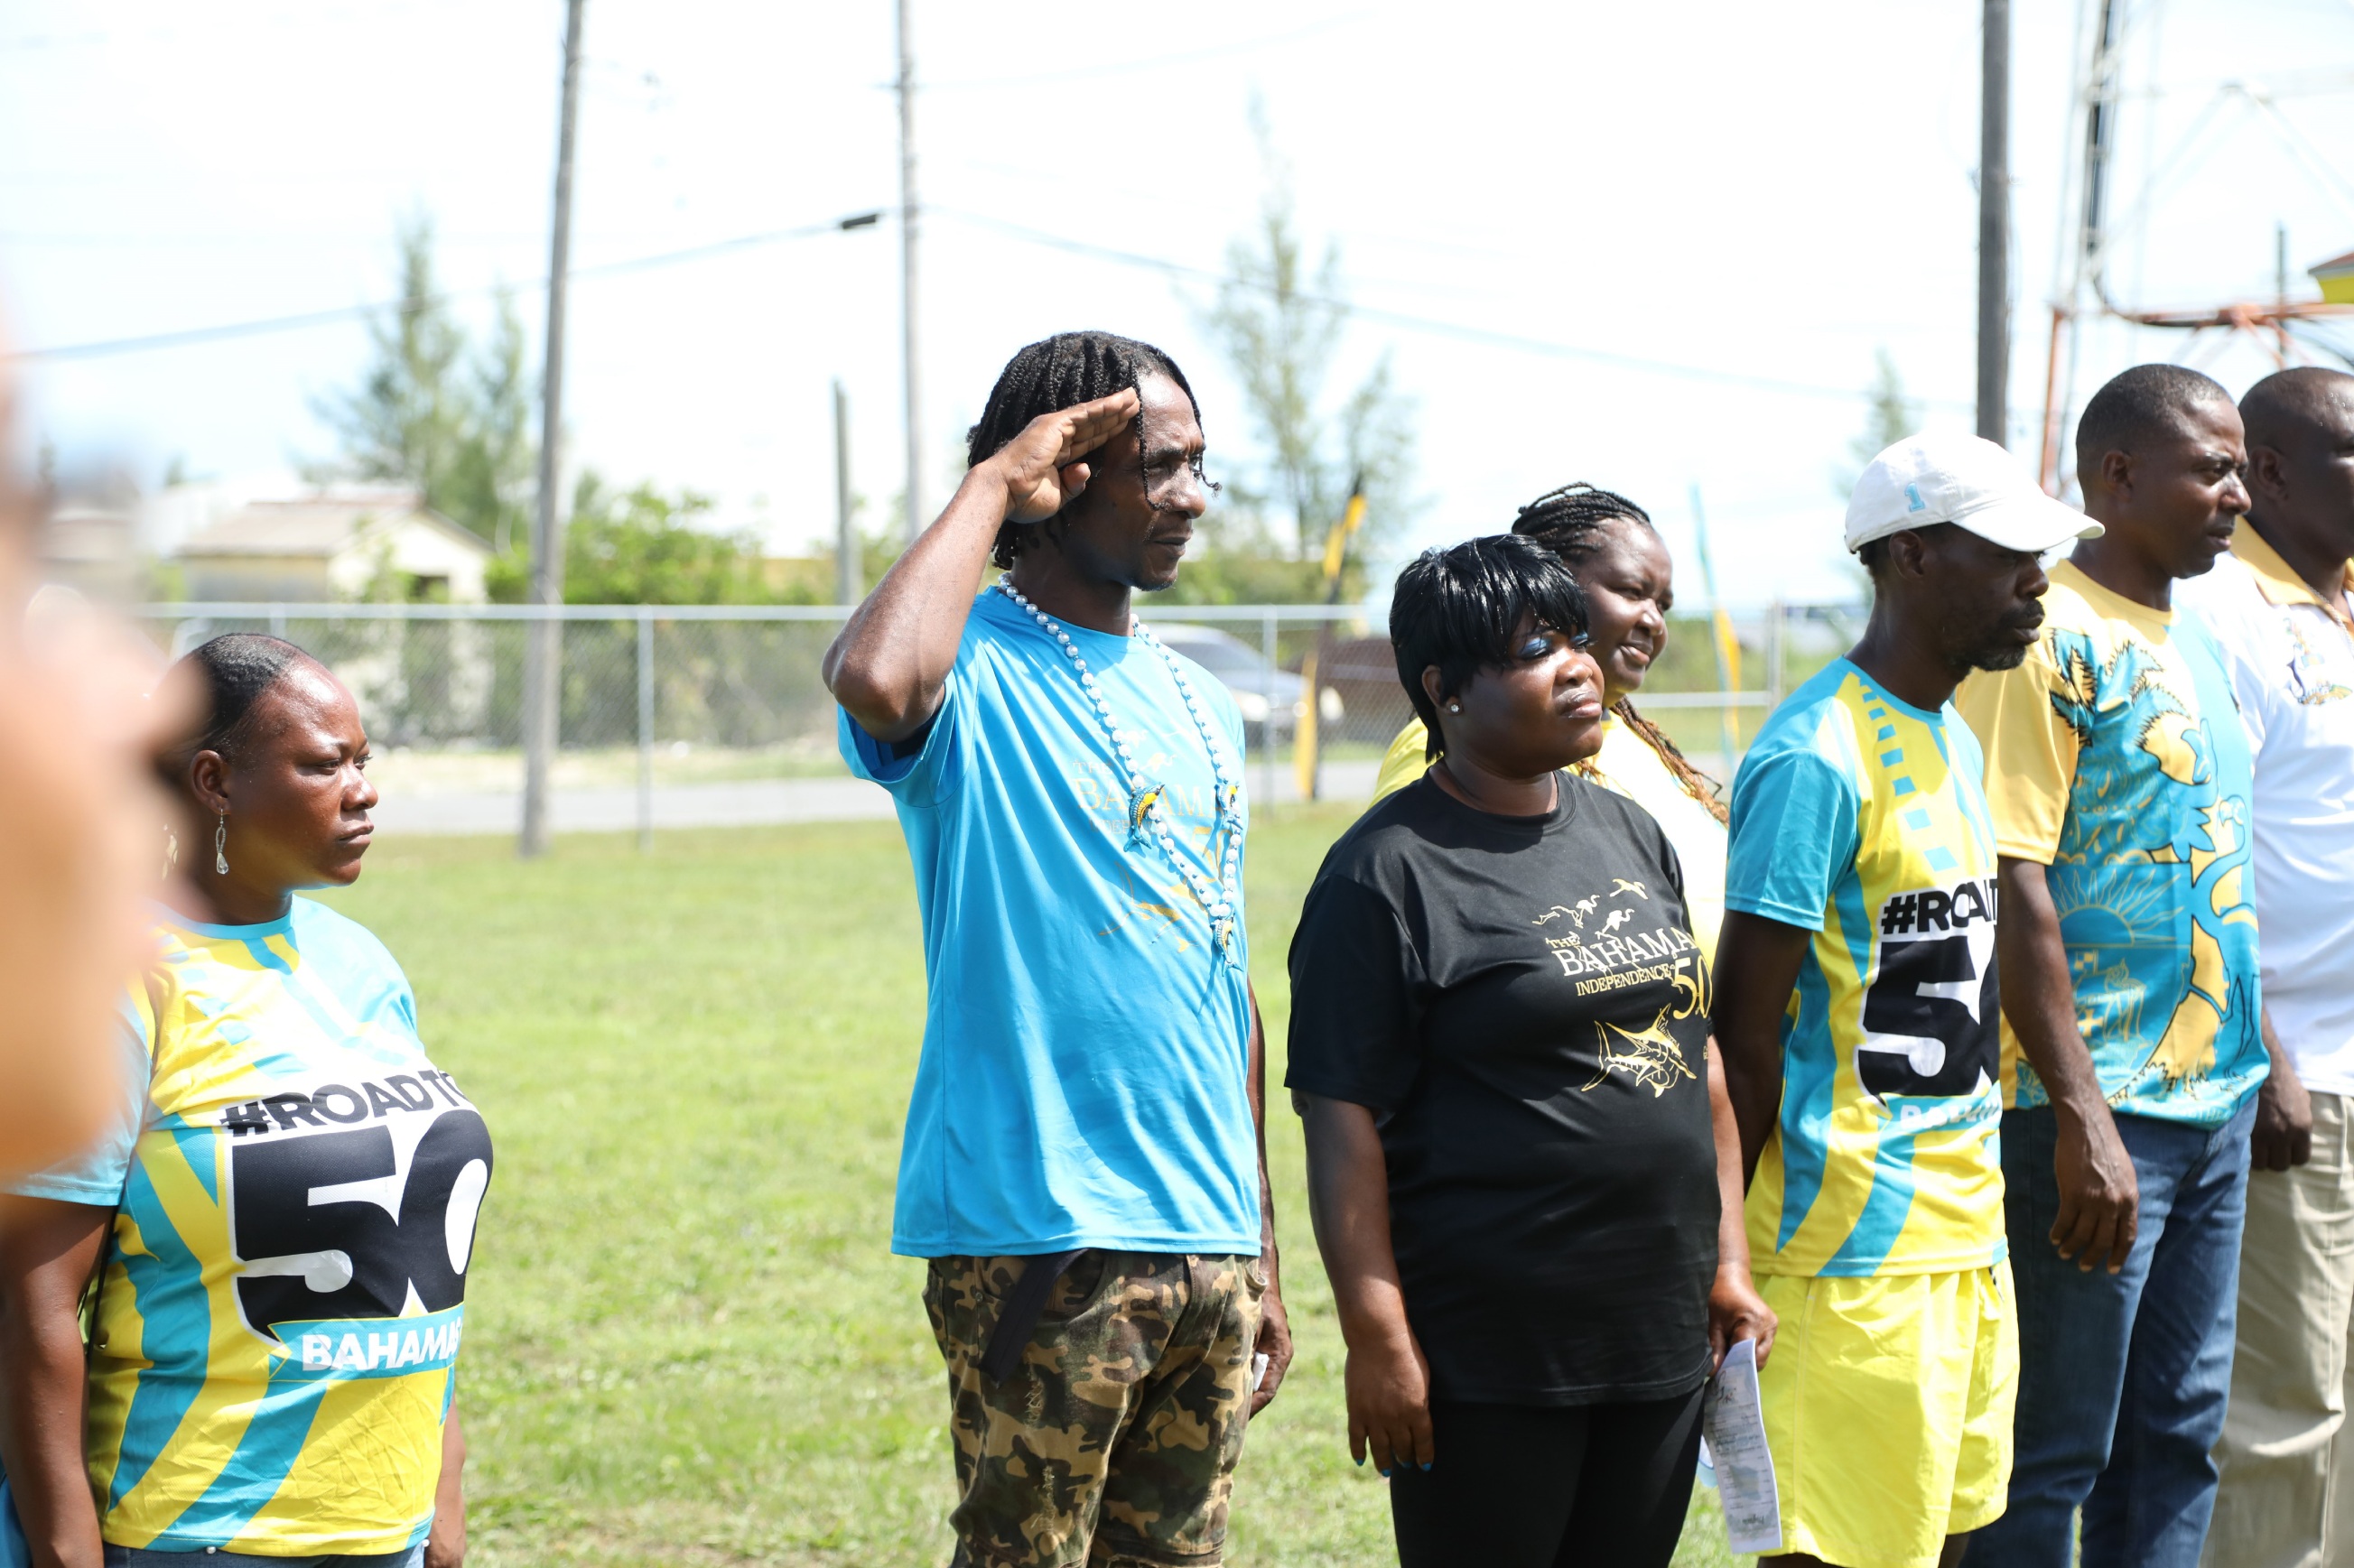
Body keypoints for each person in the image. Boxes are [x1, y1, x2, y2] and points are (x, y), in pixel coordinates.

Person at [823, 331, 1291, 1568]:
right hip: (1043, 1234)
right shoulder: (965, 663)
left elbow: (1222, 982)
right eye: (1161, 466)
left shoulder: (1196, 699)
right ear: (1064, 473)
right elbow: (872, 679)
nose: (1190, 496)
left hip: (1206, 1239)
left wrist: (1260, 1240)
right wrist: (988, 484)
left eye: (1201, 467)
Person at [1288, 533, 1771, 1568]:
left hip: (1658, 1332)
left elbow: (1706, 1069)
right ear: (1444, 690)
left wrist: (1727, 1263)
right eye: (1533, 646)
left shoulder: (1626, 829)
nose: (1579, 663)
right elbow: (1342, 1123)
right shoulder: (1384, 874)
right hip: (1493, 1350)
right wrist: (1378, 1336)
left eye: (1572, 636)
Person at [0, 634, 485, 1567]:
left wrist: (442, 1478)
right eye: (322, 763)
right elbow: (36, 1304)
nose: (363, 789)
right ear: (215, 781)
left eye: (363, 760)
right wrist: (65, 1549)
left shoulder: (362, 962)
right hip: (204, 1531)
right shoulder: (113, 977)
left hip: (386, 1523)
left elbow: (408, 1243)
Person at [1716, 431, 2098, 1568]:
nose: (2038, 582)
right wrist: (1721, 1258)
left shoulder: (1949, 742)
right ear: (1913, 557)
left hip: (1967, 1243)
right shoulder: (1815, 753)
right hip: (1844, 1271)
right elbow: (1737, 1042)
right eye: (2010, 554)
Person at [1953, 366, 2268, 1568]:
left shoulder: (2191, 638)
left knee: (2177, 1435)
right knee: (2052, 1449)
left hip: (2213, 1107)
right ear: (2115, 475)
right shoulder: (2041, 640)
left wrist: (2259, 1065)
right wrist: (2078, 1109)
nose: (2234, 494)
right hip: (2086, 1116)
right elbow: (2008, 877)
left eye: (2239, 467)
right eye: (2210, 468)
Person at [2182, 366, 2354, 1568]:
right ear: (2273, 475)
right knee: (2284, 1416)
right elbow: (2198, 850)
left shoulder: (2340, 608)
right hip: (2304, 1087)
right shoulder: (2221, 615)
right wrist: (2264, 1051)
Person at [1370, 484, 1729, 960]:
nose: (1654, 621)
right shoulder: (1461, 740)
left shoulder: (1633, 743)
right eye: (1631, 591)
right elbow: (1416, 909)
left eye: (1662, 604)